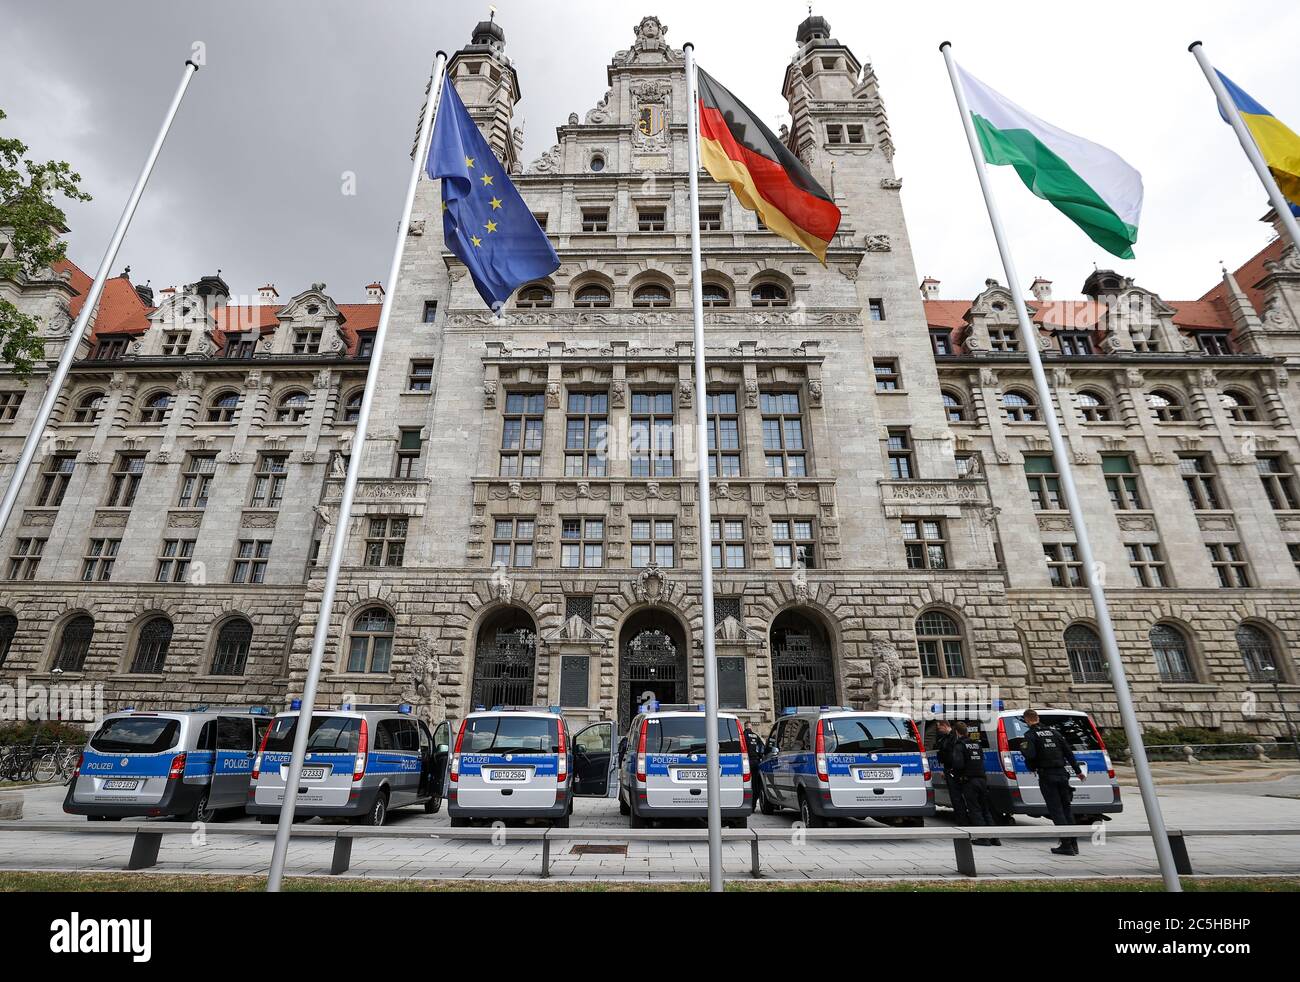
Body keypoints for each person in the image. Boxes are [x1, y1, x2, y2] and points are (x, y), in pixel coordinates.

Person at [1021, 709, 1085, 856]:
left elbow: (1030, 755)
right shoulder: (1054, 732)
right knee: (1067, 810)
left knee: (1056, 811)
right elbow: (1068, 752)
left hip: (1047, 776)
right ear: (1037, 718)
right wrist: (1078, 771)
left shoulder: (1030, 735)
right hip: (1063, 774)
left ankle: (1066, 844)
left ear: (1027, 720)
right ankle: (1074, 844)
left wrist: (1028, 762)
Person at [952, 721, 1000, 846]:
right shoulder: (976, 744)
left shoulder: (959, 745)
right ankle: (994, 838)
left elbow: (958, 764)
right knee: (985, 809)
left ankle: (983, 838)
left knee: (974, 809)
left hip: (969, 781)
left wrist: (956, 774)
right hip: (982, 779)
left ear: (957, 732)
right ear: (966, 732)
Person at [934, 719, 969, 825]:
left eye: (939, 727)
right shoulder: (946, 737)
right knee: (955, 798)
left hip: (953, 771)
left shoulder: (953, 737)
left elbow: (953, 756)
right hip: (949, 769)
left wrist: (951, 770)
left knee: (957, 797)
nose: (938, 730)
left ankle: (962, 821)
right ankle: (961, 819)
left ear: (944, 725)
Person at [744, 723, 766, 811]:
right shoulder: (756, 736)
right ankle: (753, 806)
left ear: (745, 727)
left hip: (746, 762)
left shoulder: (743, 735)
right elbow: (762, 747)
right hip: (756, 762)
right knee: (755, 784)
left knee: (746, 783)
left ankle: (745, 804)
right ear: (751, 727)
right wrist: (760, 756)